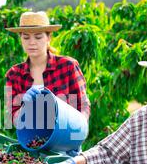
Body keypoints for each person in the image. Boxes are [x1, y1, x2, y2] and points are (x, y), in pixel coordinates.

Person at [5, 11, 90, 155]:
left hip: (66, 145)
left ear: (48, 37)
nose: (32, 42)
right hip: (33, 149)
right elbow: (13, 118)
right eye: (26, 37)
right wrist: (25, 107)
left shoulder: (68, 66)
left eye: (38, 37)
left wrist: (77, 135)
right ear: (20, 39)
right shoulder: (14, 75)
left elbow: (83, 106)